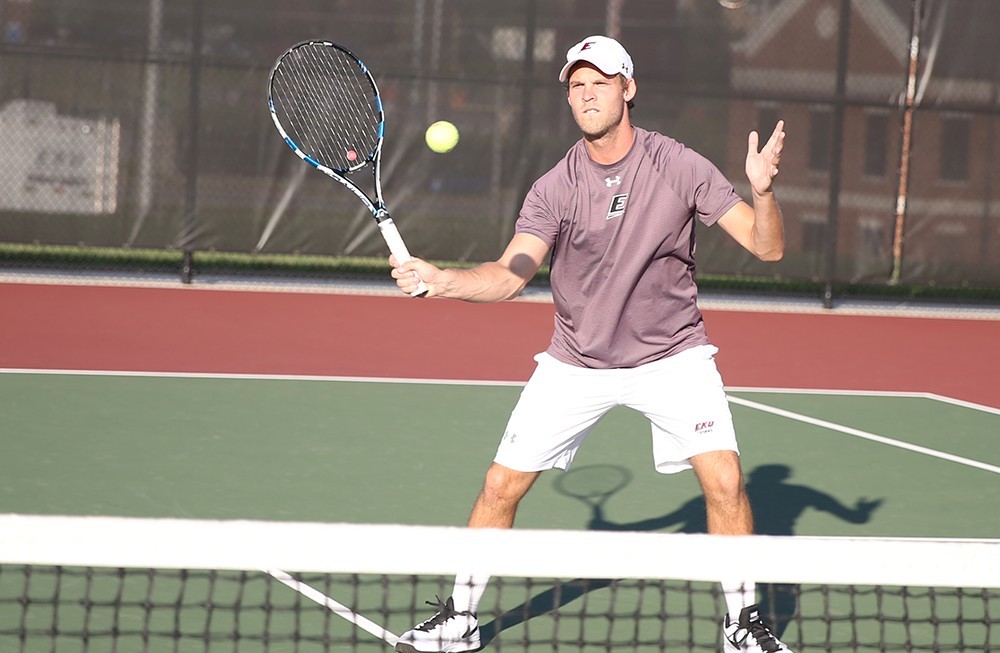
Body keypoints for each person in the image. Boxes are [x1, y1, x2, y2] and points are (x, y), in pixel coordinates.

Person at [390, 34, 790, 653]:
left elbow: (768, 247)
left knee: (727, 481)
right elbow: (510, 272)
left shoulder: (679, 165)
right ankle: (460, 617)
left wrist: (762, 193)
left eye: (599, 82)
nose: (586, 94)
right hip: (576, 361)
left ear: (628, 89)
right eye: (576, 85)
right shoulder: (555, 187)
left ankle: (743, 623)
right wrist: (444, 280)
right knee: (500, 486)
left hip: (673, 356)